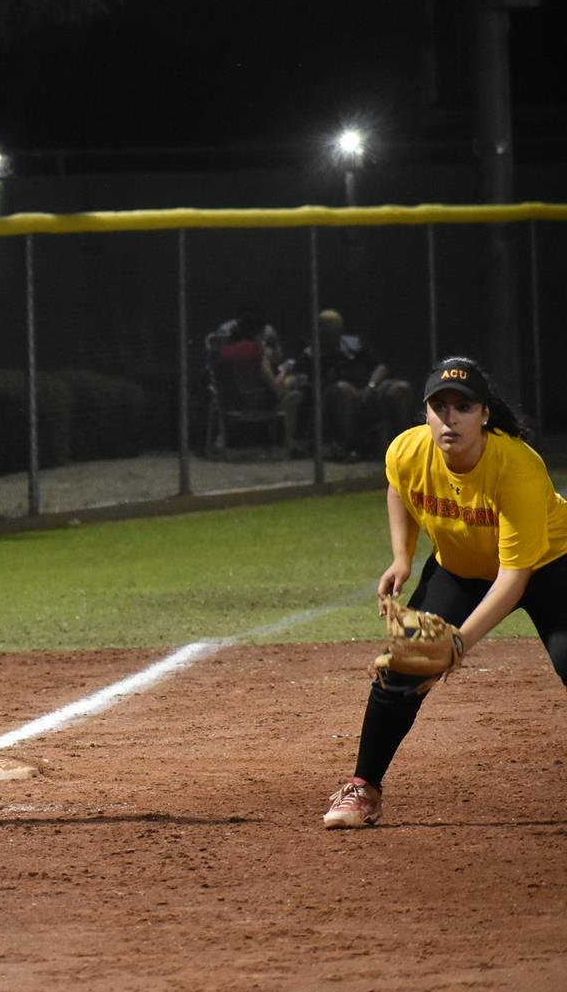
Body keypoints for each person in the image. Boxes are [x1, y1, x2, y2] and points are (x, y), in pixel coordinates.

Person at [323, 356, 567, 830]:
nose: (449, 416)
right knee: (403, 670)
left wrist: (455, 646)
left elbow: (513, 580)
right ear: (427, 413)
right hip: (460, 567)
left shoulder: (516, 467)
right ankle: (363, 788)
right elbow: (399, 490)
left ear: (484, 414)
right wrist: (401, 557)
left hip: (548, 564)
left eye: (463, 405)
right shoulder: (408, 450)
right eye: (439, 405)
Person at [302, 309, 414, 461]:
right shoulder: (311, 353)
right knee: (344, 391)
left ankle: (407, 450)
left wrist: (371, 386)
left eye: (334, 330)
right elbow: (313, 386)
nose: (331, 335)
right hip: (336, 397)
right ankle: (351, 447)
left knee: (401, 388)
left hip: (368, 390)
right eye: (326, 330)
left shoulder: (354, 344)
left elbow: (381, 367)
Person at [212, 307, 301, 451]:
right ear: (259, 333)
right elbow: (275, 388)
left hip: (229, 404)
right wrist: (284, 370)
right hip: (252, 405)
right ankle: (287, 442)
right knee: (293, 388)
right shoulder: (255, 351)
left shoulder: (225, 351)